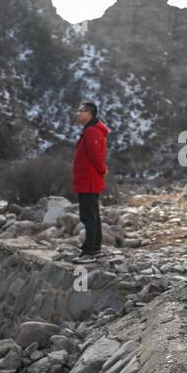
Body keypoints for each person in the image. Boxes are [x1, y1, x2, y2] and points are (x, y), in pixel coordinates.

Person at [71, 102, 109, 257]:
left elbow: (96, 156)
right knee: (92, 214)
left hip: (89, 180)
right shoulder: (89, 131)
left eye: (81, 111)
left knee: (89, 215)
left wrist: (103, 170)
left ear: (89, 114)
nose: (78, 113)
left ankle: (90, 249)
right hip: (87, 180)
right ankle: (95, 245)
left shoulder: (92, 132)